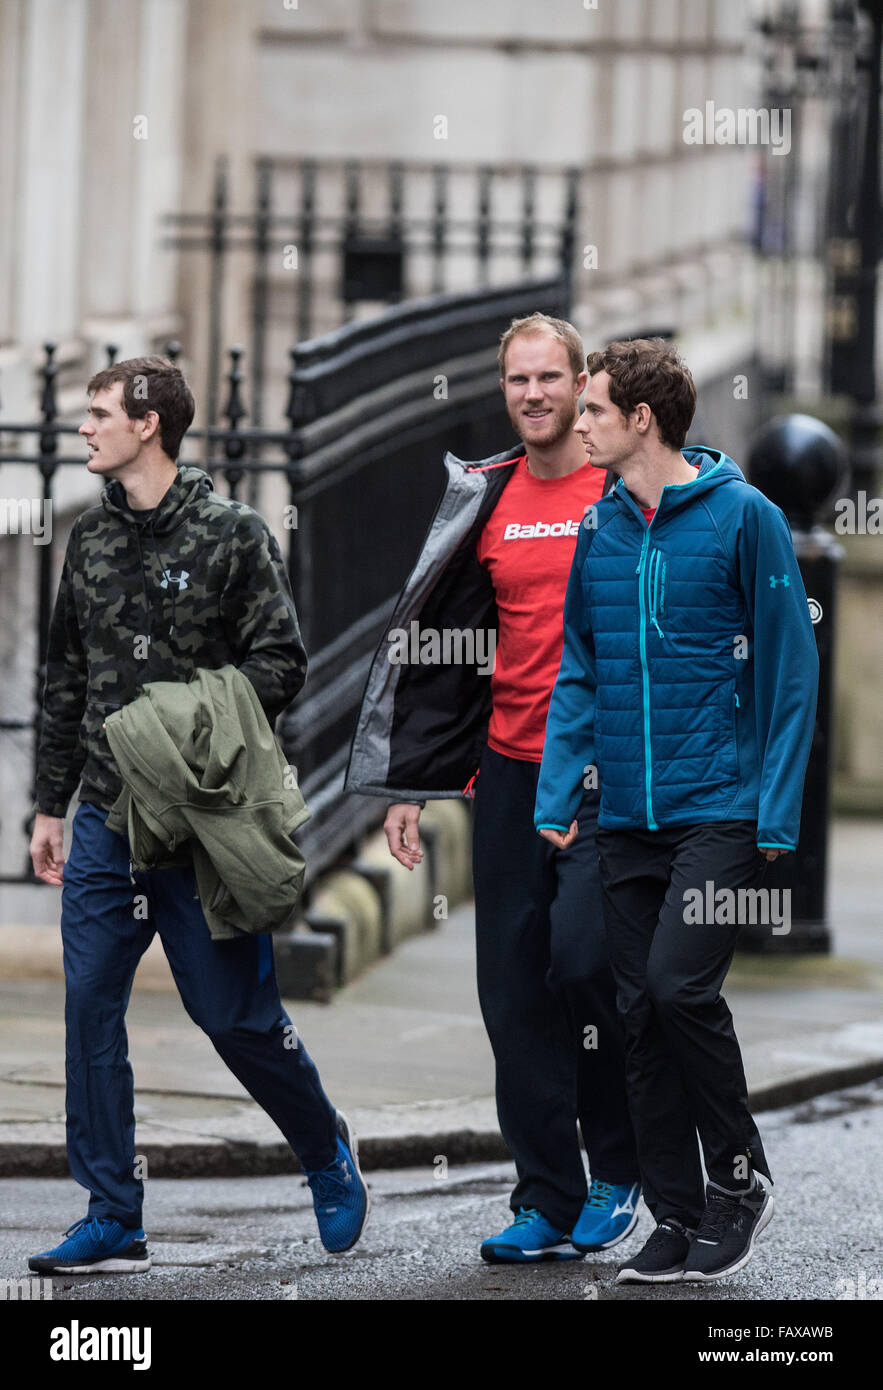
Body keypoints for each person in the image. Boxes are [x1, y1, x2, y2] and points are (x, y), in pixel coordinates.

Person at [28, 356, 368, 1274]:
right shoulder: (88, 543)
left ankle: (324, 1147)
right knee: (91, 1009)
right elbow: (62, 677)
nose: (85, 428)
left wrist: (184, 728)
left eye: (99, 413)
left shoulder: (232, 535)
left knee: (233, 1018)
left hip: (202, 827)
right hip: (105, 818)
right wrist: (47, 806)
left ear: (148, 424)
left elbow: (281, 661)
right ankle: (112, 1213)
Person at [346, 314, 640, 1263]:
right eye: (517, 380)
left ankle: (622, 1165)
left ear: (579, 381)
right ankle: (547, 1198)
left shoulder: (624, 491)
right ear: (502, 389)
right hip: (509, 772)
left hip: (606, 776)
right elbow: (442, 655)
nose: (533, 395)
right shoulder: (483, 499)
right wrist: (410, 781)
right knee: (511, 991)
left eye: (550, 378)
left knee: (585, 963)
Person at [535, 338, 819, 1284]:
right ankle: (675, 1212)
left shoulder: (747, 519)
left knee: (676, 987)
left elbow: (789, 671)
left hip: (722, 810)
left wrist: (776, 813)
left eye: (592, 411)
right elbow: (579, 666)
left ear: (640, 421)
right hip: (625, 814)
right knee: (634, 1015)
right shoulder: (599, 528)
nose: (577, 424)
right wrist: (556, 789)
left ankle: (739, 1183)